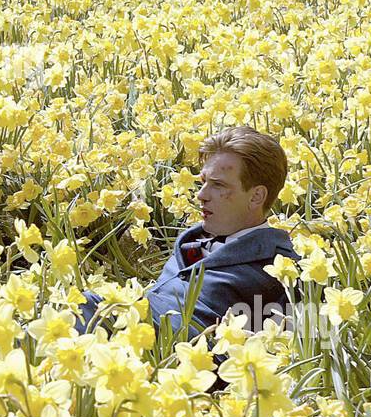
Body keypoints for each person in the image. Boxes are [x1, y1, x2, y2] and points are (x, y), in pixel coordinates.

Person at [78, 125, 299, 340]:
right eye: (203, 182)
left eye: (218, 185)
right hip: (130, 334)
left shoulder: (280, 268)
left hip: (178, 358)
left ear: (256, 196)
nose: (201, 195)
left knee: (84, 307)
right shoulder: (191, 242)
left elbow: (281, 347)